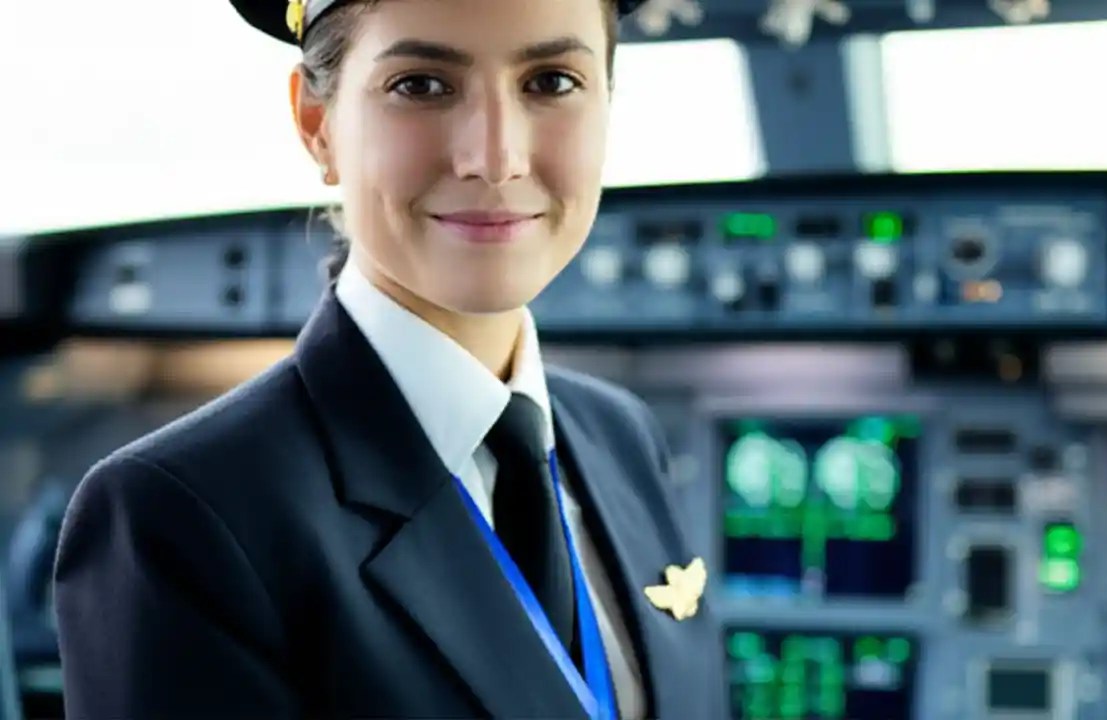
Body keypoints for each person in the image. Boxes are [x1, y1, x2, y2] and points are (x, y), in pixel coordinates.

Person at [51, 0, 725, 717]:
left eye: (552, 81)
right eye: (422, 85)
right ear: (318, 126)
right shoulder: (181, 518)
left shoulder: (621, 437)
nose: (495, 158)